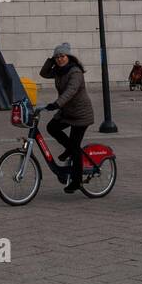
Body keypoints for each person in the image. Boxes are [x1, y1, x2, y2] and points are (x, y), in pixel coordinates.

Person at [39, 42, 95, 194]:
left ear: (68, 57)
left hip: (81, 114)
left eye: (62, 56)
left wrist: (56, 104)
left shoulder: (75, 72)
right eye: (57, 57)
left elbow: (71, 91)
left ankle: (76, 182)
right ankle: (69, 149)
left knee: (75, 148)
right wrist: (50, 60)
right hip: (67, 113)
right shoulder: (58, 71)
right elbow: (43, 73)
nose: (59, 59)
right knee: (52, 127)